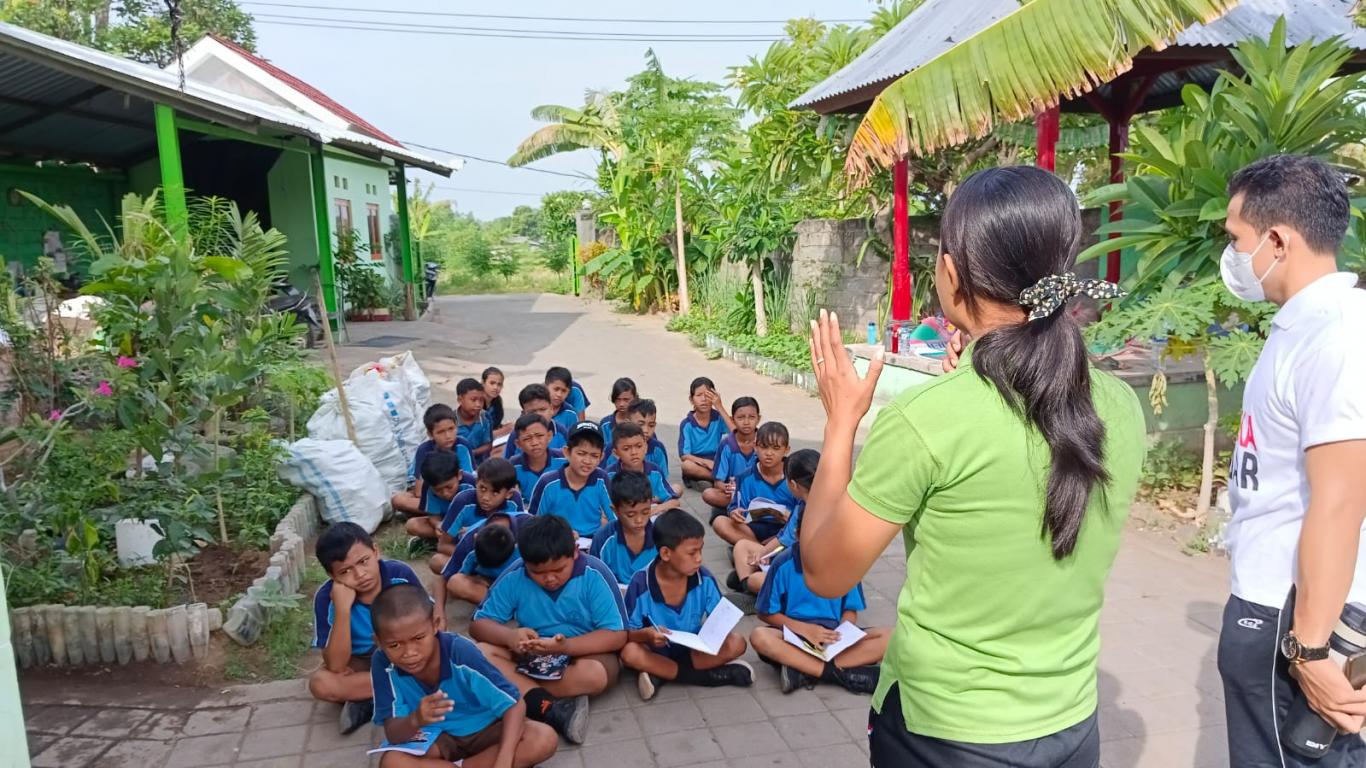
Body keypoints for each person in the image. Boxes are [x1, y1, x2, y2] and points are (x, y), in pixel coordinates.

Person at [801, 166, 1144, 766]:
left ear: (952, 273)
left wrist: (840, 426)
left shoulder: (927, 419)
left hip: (950, 732)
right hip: (1069, 721)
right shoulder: (1120, 405)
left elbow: (827, 573)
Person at [1210, 155, 1366, 767]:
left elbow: (1342, 499)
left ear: (1278, 240)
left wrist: (1308, 650)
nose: (1233, 256)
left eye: (1236, 238)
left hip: (1290, 615)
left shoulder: (1336, 336)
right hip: (1278, 605)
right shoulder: (1304, 327)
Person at [470, 515, 627, 744]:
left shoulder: (594, 573)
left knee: (595, 674)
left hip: (583, 653)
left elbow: (617, 636)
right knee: (480, 653)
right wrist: (509, 635)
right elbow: (478, 624)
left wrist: (567, 646)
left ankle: (522, 698)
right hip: (533, 653)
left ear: (574, 552)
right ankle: (551, 708)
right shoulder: (516, 575)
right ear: (524, 561)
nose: (550, 579)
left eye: (559, 569)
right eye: (538, 573)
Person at [369, 584, 558, 768]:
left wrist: (504, 761)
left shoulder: (460, 653)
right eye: (395, 645)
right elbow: (393, 733)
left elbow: (515, 706)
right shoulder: (383, 663)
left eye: (418, 638)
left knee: (542, 739)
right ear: (378, 642)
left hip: (487, 730)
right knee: (392, 762)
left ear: (435, 625)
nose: (409, 653)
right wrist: (415, 719)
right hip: (438, 739)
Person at [621, 508, 755, 701]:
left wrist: (720, 630)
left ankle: (660, 674)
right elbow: (628, 634)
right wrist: (647, 635)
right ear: (666, 553)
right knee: (629, 653)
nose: (699, 558)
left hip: (693, 648)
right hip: (656, 649)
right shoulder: (641, 584)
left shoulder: (704, 578)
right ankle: (706, 677)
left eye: (700, 550)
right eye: (692, 552)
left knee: (737, 642)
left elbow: (717, 621)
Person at [309, 522, 427, 734]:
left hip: (405, 650)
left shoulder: (399, 574)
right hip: (363, 662)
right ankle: (402, 689)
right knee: (321, 683)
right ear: (332, 576)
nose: (360, 574)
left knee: (435, 656)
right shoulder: (326, 598)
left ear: (375, 551)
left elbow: (426, 627)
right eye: (345, 571)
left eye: (364, 561)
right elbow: (336, 665)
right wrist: (342, 609)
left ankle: (371, 697)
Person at [749, 538, 889, 695]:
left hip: (832, 637)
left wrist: (841, 633)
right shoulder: (784, 562)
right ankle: (844, 674)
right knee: (760, 636)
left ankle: (803, 670)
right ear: (799, 532)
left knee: (893, 637)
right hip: (794, 635)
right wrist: (805, 629)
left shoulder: (847, 563)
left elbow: (850, 610)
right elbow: (765, 613)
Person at [730, 448, 818, 595]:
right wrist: (763, 554)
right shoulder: (804, 505)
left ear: (793, 484)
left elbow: (792, 550)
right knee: (742, 546)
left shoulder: (804, 510)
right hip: (818, 574)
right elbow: (783, 539)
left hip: (804, 576)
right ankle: (752, 587)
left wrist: (773, 561)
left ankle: (754, 591)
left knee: (755, 580)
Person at [431, 457, 521, 574]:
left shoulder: (514, 502)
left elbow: (519, 542)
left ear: (508, 493)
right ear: (476, 482)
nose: (486, 498)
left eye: (495, 492)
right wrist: (476, 557)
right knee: (437, 561)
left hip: (502, 562)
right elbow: (443, 545)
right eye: (482, 488)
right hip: (472, 558)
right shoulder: (463, 501)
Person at [713, 422, 795, 546]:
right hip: (753, 529)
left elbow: (805, 509)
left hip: (786, 528)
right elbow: (735, 506)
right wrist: (734, 513)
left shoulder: (794, 477)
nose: (769, 453)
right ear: (755, 447)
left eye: (776, 448)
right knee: (720, 522)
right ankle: (762, 550)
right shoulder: (744, 478)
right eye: (764, 447)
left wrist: (790, 516)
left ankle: (754, 550)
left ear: (786, 450)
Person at [528, 422, 615, 538]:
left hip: (592, 541)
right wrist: (558, 533)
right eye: (581, 453)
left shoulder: (601, 479)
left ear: (601, 457)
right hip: (556, 540)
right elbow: (534, 523)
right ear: (566, 452)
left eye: (594, 456)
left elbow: (614, 518)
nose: (587, 461)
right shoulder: (548, 483)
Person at [393, 404, 474, 517]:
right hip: (435, 494)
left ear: (456, 427)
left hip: (458, 496)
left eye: (451, 429)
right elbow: (419, 491)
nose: (448, 436)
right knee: (398, 499)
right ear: (430, 434)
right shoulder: (424, 450)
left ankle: (439, 513)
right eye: (441, 432)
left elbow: (468, 484)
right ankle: (440, 512)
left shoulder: (462, 446)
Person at [590, 471, 658, 586]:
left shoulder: (661, 536)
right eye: (631, 515)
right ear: (615, 510)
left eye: (645, 512)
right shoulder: (603, 539)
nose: (639, 520)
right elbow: (593, 578)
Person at [441, 520, 520, 608]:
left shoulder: (519, 556)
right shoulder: (472, 555)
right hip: (486, 587)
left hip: (509, 589)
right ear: (475, 539)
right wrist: (477, 580)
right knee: (455, 582)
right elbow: (462, 576)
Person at [605, 421, 679, 514]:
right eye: (626, 449)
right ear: (616, 453)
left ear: (645, 447)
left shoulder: (654, 471)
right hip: (622, 519)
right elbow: (605, 507)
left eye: (639, 446)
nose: (634, 452)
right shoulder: (609, 475)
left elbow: (674, 502)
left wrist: (652, 511)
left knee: (676, 512)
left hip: (651, 514)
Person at [701, 396, 760, 510]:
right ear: (732, 420)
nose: (746, 422)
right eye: (741, 418)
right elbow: (718, 482)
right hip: (734, 493)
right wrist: (726, 487)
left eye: (752, 417)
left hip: (759, 492)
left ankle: (744, 508)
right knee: (708, 494)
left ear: (758, 418)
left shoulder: (764, 442)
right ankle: (744, 508)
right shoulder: (726, 444)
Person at [678, 377, 734, 487]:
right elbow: (684, 455)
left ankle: (712, 480)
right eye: (699, 395)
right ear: (691, 399)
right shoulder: (687, 424)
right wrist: (705, 462)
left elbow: (736, 433)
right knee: (687, 466)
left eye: (708, 395)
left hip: (717, 460)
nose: (703, 399)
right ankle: (721, 479)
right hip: (697, 462)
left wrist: (719, 406)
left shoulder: (718, 418)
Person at [404, 451, 466, 544]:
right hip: (448, 524)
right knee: (412, 525)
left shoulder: (471, 485)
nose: (445, 493)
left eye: (449, 487)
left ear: (459, 475)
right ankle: (452, 538)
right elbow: (433, 515)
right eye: (438, 490)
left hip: (471, 524)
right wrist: (437, 525)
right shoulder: (428, 488)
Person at [508, 413, 567, 500]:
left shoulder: (564, 460)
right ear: (518, 444)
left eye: (539, 436)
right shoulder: (513, 466)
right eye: (527, 438)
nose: (534, 443)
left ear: (549, 436)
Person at [503, 385, 570, 460]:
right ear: (523, 414)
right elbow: (506, 464)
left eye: (542, 409)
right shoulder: (517, 434)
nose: (539, 415)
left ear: (551, 409)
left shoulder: (562, 432)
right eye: (532, 412)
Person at [615, 399, 670, 476]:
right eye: (640, 424)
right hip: (620, 487)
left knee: (676, 487)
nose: (646, 430)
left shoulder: (658, 448)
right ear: (627, 422)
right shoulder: (616, 447)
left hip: (650, 487)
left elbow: (663, 479)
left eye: (651, 425)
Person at [455, 378, 493, 462]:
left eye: (481, 400)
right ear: (460, 400)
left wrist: (471, 453)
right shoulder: (451, 420)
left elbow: (488, 445)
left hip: (480, 464)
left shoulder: (485, 417)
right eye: (473, 400)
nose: (478, 404)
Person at [599, 377, 639, 456]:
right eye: (618, 399)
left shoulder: (641, 422)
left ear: (635, 398)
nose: (621, 404)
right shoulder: (605, 424)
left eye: (626, 400)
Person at [544, 367, 583, 432]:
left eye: (564, 391)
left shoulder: (571, 414)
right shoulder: (536, 409)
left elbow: (575, 439)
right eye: (556, 389)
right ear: (546, 386)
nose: (559, 394)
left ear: (569, 392)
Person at [482, 367, 512, 439]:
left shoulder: (497, 401)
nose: (495, 387)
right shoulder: (476, 403)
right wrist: (504, 430)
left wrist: (504, 427)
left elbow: (495, 426)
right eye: (492, 383)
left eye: (499, 384)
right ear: (483, 383)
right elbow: (478, 436)